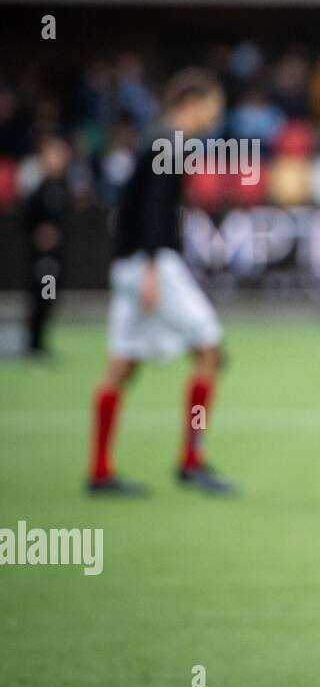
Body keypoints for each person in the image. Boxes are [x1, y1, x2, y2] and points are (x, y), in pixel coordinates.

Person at [87, 68, 237, 495]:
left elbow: (131, 208)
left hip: (129, 266)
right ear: (193, 101)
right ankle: (192, 460)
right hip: (153, 266)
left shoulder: (156, 139)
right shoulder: (170, 142)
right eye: (213, 106)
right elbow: (154, 212)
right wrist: (152, 268)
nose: (215, 116)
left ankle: (100, 471)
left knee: (123, 363)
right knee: (210, 352)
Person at [21, 134, 73, 359]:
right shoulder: (42, 187)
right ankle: (34, 343)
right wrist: (39, 232)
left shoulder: (61, 185)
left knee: (49, 296)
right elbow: (29, 216)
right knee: (42, 294)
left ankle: (40, 341)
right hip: (44, 257)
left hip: (55, 256)